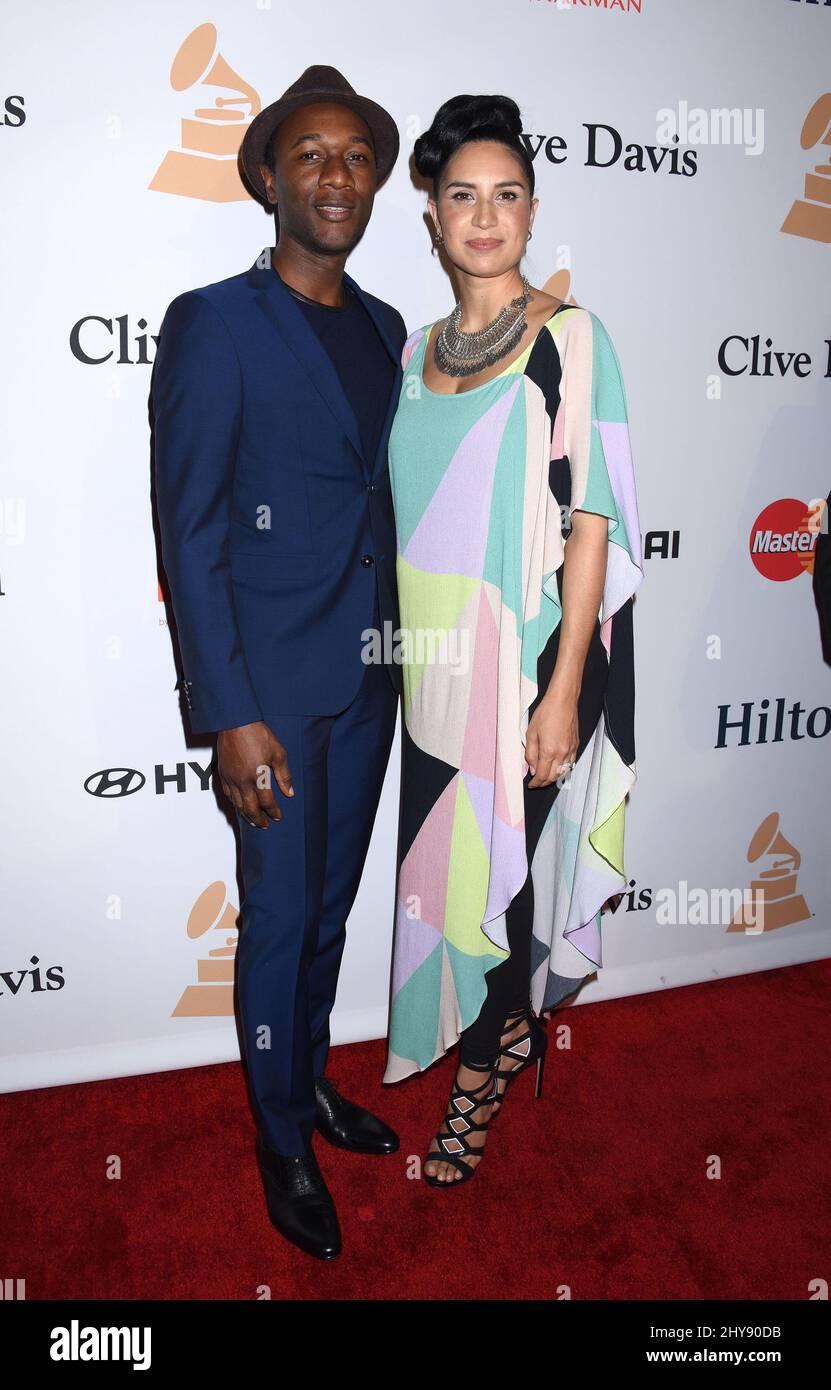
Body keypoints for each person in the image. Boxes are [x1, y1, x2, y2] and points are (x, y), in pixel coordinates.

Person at [151, 66, 407, 1257]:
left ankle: (304, 1085)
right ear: (267, 177)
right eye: (309, 155)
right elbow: (190, 533)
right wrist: (227, 712)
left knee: (330, 917)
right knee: (279, 915)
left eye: (355, 155)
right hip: (270, 697)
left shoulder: (386, 326)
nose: (335, 175)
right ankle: (279, 1137)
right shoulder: (215, 322)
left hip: (367, 677)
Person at [383, 95, 645, 1185]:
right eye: (461, 196)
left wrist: (563, 690)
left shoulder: (573, 339)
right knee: (457, 869)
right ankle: (505, 1033)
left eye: (505, 196)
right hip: (435, 675)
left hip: (533, 661)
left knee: (509, 875)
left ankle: (480, 1083)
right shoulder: (409, 350)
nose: (484, 216)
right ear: (433, 216)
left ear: (532, 213)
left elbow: (596, 520)